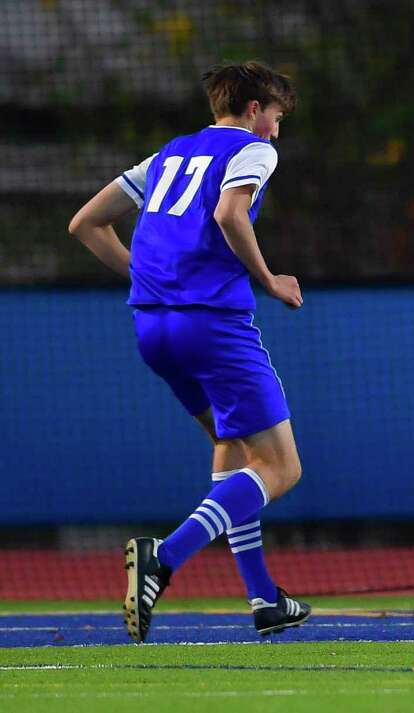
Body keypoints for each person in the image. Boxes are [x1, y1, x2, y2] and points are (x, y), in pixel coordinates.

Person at [67, 61, 311, 642]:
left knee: (234, 449)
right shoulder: (253, 150)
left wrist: (151, 281)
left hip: (153, 330)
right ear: (254, 109)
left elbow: (85, 224)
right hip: (212, 326)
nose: (276, 131)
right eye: (276, 116)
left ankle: (262, 598)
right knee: (281, 467)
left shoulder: (170, 155)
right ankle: (165, 556)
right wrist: (270, 279)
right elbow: (229, 213)